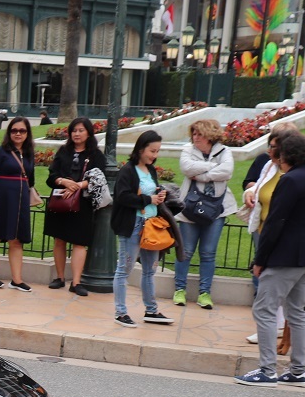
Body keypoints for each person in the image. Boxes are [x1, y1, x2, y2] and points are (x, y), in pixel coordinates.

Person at [237, 131, 305, 386]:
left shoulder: (289, 180)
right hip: (301, 257)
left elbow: (276, 222)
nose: (273, 152)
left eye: (277, 149)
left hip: (283, 256)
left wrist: (260, 259)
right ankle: (299, 370)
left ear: (286, 154)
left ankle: (267, 370)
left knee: (264, 309)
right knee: (296, 312)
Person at [109, 130, 174, 328]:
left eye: (157, 151)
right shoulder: (128, 170)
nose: (154, 155)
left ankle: (151, 310)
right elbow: (122, 197)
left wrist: (158, 195)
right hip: (133, 226)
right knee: (124, 270)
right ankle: (120, 313)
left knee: (149, 271)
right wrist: (148, 199)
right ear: (141, 148)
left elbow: (149, 193)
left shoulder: (150, 170)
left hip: (151, 226)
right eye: (152, 151)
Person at [173, 118, 235, 310]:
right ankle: (179, 289)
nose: (195, 137)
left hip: (216, 210)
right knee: (186, 250)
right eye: (194, 133)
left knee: (208, 253)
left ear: (210, 135)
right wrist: (212, 167)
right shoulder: (187, 150)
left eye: (200, 134)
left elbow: (228, 171)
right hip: (190, 208)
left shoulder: (225, 152)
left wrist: (203, 174)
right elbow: (186, 168)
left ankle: (205, 293)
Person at [242, 125, 296, 346]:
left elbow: (283, 212)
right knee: (267, 287)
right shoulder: (268, 167)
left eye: (273, 146)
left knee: (279, 295)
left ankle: (269, 365)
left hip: (284, 241)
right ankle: (276, 330)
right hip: (264, 231)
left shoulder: (293, 175)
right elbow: (255, 187)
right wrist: (249, 193)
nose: (268, 150)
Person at [45, 116, 105, 296]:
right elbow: (51, 177)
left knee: (80, 242)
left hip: (82, 203)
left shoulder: (95, 154)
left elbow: (98, 178)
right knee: (59, 239)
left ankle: (76, 282)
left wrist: (78, 186)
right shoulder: (63, 151)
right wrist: (63, 181)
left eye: (81, 130)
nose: (77, 134)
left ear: (88, 133)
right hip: (61, 201)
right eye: (74, 130)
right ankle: (60, 277)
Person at [0, 116, 36, 292]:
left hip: (20, 199)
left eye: (22, 130)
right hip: (2, 197)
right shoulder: (0, 152)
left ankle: (17, 279)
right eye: (14, 130)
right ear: (9, 132)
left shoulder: (29, 153)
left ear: (27, 133)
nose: (18, 134)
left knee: (17, 240)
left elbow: (31, 179)